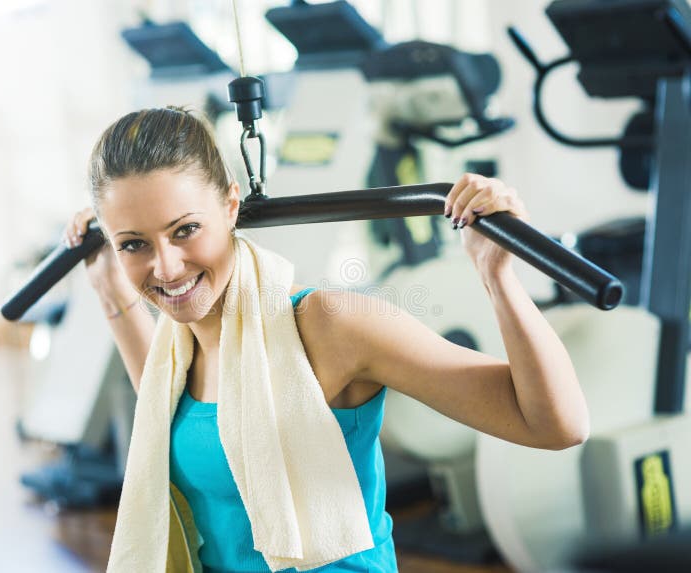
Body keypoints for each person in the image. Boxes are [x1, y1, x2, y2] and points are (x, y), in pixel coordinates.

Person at [64, 107, 589, 572]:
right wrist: (110, 285)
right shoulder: (177, 348)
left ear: (229, 205)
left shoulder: (330, 326)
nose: (166, 266)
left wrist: (498, 276)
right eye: (133, 243)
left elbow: (553, 424)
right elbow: (161, 413)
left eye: (184, 230)